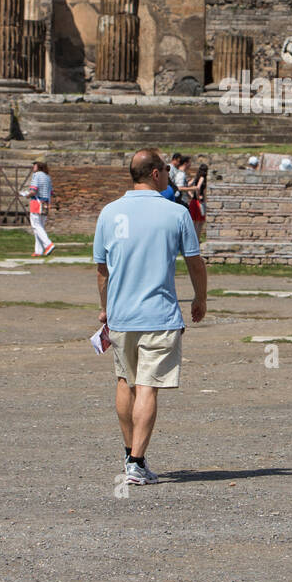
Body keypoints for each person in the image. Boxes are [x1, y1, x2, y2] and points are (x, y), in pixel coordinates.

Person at [93, 148, 206, 486]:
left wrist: (105, 306)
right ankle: (137, 462)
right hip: (158, 314)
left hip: (122, 314)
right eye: (166, 171)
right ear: (155, 173)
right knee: (147, 387)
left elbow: (102, 269)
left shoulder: (109, 212)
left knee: (124, 382)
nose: (169, 176)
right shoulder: (175, 213)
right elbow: (194, 261)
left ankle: (130, 454)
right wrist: (200, 298)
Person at [20, 161, 57, 257]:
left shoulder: (36, 175)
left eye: (34, 165)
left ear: (38, 166)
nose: (33, 167)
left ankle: (48, 244)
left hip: (37, 203)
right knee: (40, 227)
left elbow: (33, 190)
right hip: (46, 204)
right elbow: (52, 192)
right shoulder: (47, 177)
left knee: (36, 225)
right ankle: (38, 251)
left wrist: (27, 195)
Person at [184, 162, 208, 238]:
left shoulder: (196, 177)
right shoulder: (202, 177)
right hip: (198, 202)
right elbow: (198, 187)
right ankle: (197, 239)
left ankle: (193, 239)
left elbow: (187, 185)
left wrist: (190, 194)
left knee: (194, 222)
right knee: (199, 222)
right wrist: (198, 196)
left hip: (193, 201)